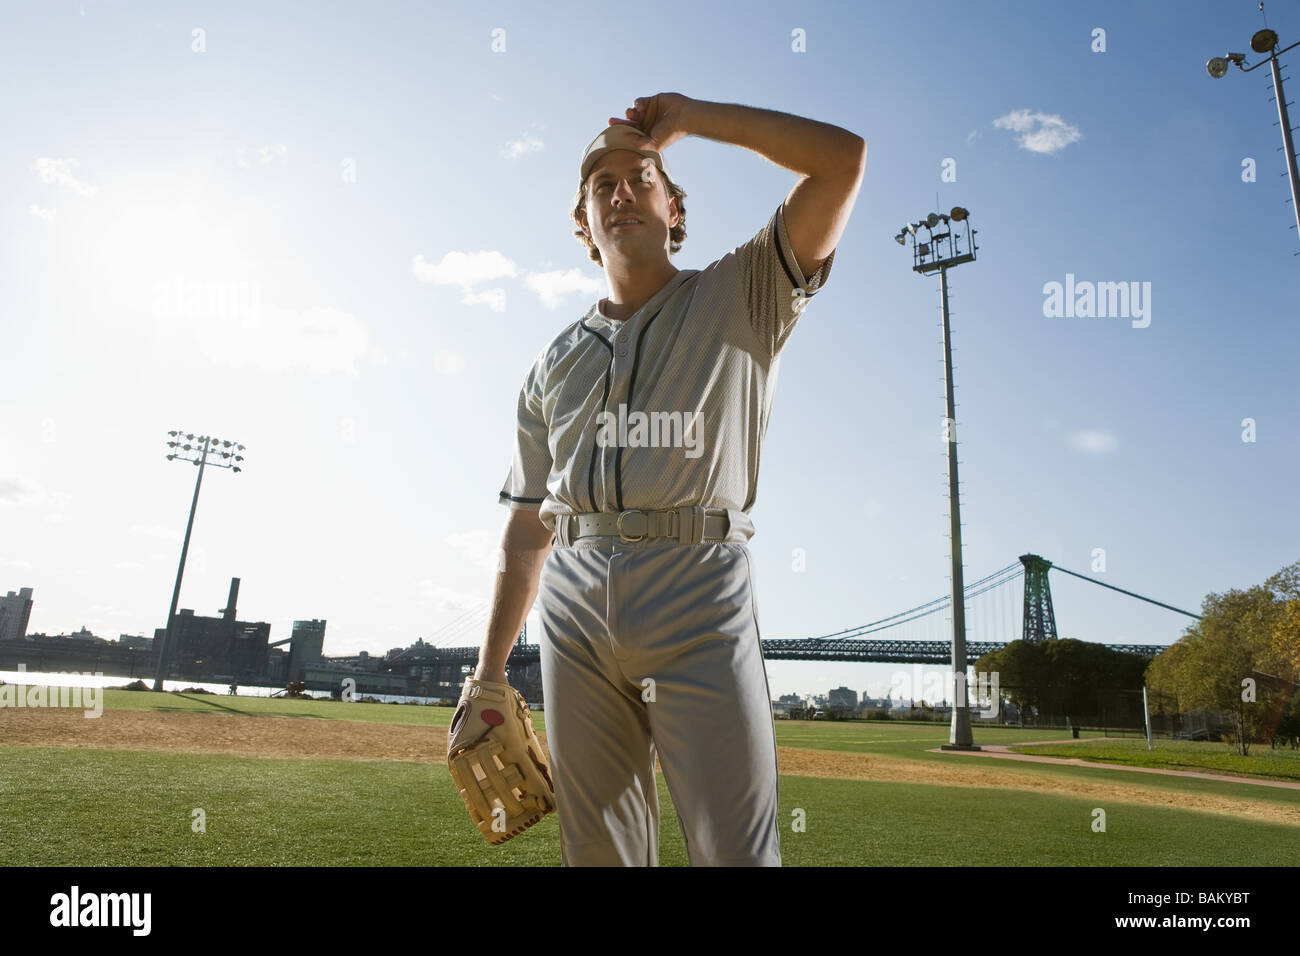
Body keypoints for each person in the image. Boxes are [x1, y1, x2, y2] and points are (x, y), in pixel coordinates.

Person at [480, 92, 865, 866]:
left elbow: (840, 158)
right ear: (583, 223)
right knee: (599, 852)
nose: (620, 191)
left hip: (696, 584)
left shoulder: (745, 293)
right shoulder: (549, 364)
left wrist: (690, 118)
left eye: (640, 178)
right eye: (601, 185)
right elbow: (529, 523)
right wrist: (487, 676)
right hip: (575, 598)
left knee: (735, 851)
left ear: (675, 209)